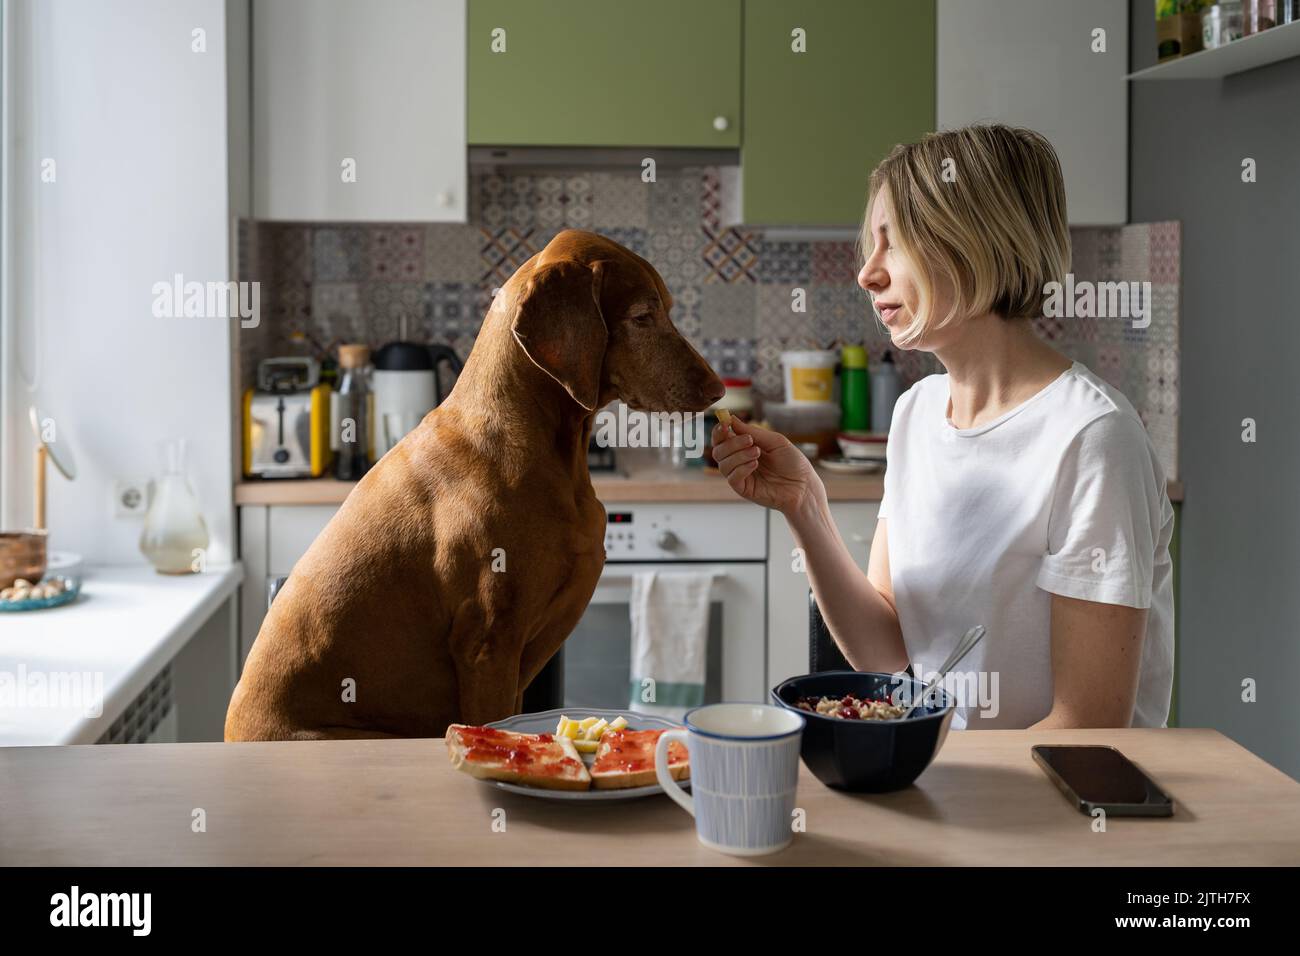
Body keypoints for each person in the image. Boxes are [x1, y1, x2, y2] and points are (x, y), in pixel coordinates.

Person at [713, 125, 1174, 729]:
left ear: (976, 242)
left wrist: (940, 779)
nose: (866, 273)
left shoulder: (1091, 437)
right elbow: (885, 647)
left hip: (1055, 809)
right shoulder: (916, 412)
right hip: (950, 785)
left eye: (893, 244)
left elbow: (1087, 726)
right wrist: (805, 504)